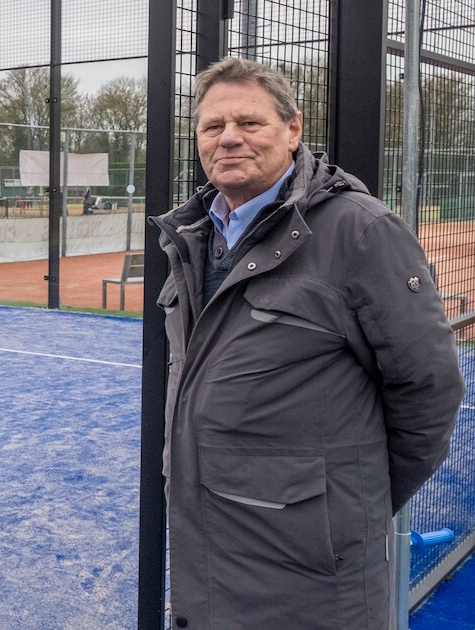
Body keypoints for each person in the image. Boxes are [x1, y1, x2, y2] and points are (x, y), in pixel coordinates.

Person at [150, 56, 463, 628]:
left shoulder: (359, 231)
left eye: (250, 122)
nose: (229, 138)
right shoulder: (194, 238)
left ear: (293, 130)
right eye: (213, 126)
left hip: (315, 578)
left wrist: (345, 508)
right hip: (212, 557)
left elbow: (430, 389)